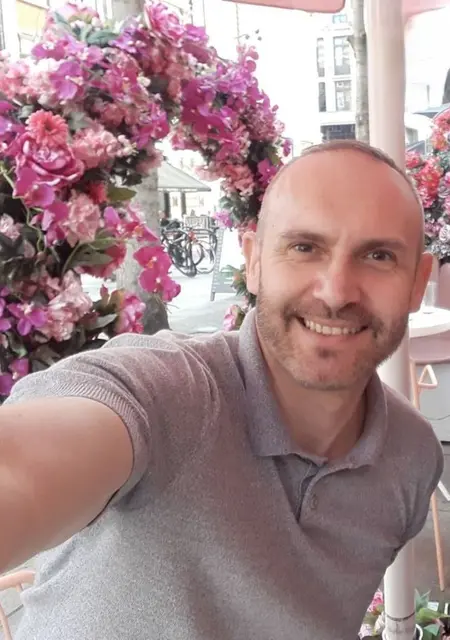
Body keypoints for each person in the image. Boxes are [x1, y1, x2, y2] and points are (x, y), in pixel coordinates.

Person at [0, 140, 443, 640]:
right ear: (253, 262)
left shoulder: (410, 457)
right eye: (304, 247)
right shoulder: (171, 392)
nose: (336, 292)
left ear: (417, 283)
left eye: (379, 255)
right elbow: (26, 467)